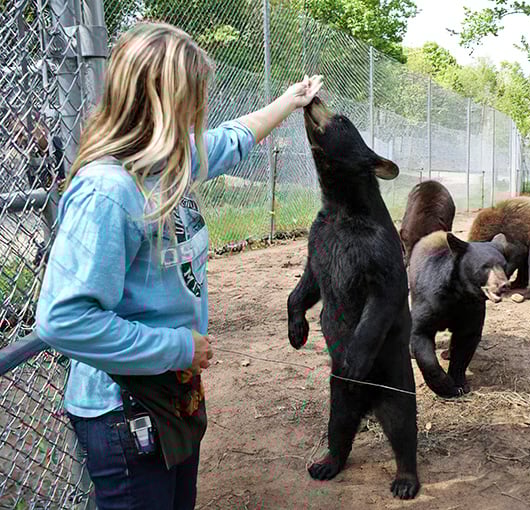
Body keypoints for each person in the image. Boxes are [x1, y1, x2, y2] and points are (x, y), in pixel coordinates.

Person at [35, 21, 322, 510]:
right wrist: (178, 345)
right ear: (162, 102)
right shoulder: (109, 192)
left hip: (169, 389)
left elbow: (233, 139)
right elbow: (63, 319)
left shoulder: (170, 160)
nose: (199, 111)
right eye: (192, 99)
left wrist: (289, 101)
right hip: (123, 407)